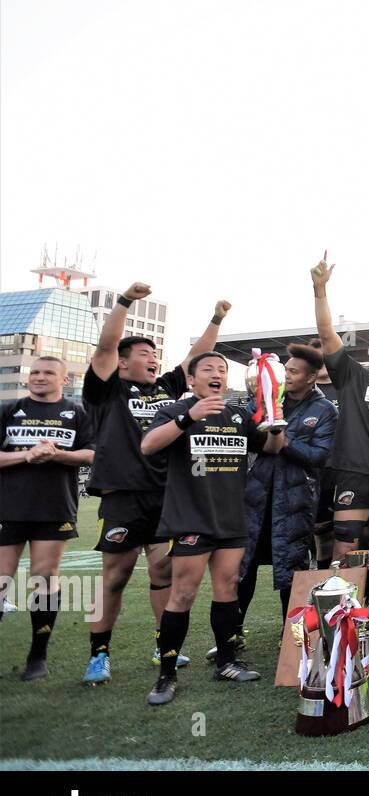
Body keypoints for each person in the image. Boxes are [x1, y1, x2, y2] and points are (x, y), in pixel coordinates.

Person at [81, 283, 230, 684]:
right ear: (123, 363)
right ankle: (99, 653)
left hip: (167, 496)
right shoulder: (107, 389)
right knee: (116, 575)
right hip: (123, 496)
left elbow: (195, 357)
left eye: (154, 354)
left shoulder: (165, 390)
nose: (152, 359)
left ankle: (163, 644)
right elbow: (106, 346)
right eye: (144, 354)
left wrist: (216, 318)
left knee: (163, 572)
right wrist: (126, 303)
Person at [141, 352, 285, 704]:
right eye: (208, 369)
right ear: (191, 379)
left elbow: (271, 447)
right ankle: (167, 675)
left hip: (232, 517)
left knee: (228, 586)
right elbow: (147, 446)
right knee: (184, 593)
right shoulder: (177, 410)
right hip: (192, 518)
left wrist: (277, 424)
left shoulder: (237, 412)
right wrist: (188, 417)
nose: (217, 373)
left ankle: (227, 661)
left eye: (222, 369)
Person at [310, 253, 369, 650]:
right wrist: (320, 289)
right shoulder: (352, 375)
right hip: (353, 473)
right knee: (347, 548)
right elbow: (327, 332)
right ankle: (341, 625)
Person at [233, 344, 337, 654]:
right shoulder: (264, 399)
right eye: (284, 370)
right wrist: (266, 416)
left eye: (292, 372)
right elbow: (250, 439)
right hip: (256, 497)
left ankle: (290, 636)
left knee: (292, 569)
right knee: (243, 567)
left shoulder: (324, 410)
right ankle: (232, 634)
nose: (286, 376)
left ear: (311, 377)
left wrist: (284, 440)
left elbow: (319, 457)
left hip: (295, 501)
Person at [0, 357, 95, 681]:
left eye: (48, 373)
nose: (40, 377)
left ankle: (37, 656)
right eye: (35, 372)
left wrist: (57, 454)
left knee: (44, 576)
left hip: (54, 507)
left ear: (64, 380)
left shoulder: (76, 412)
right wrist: (27, 454)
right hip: (8, 506)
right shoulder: (9, 410)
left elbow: (92, 453)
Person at [308, 338, 339, 569]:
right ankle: (320, 582)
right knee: (321, 537)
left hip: (343, 470)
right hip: (312, 472)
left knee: (352, 536)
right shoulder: (303, 392)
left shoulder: (346, 386)